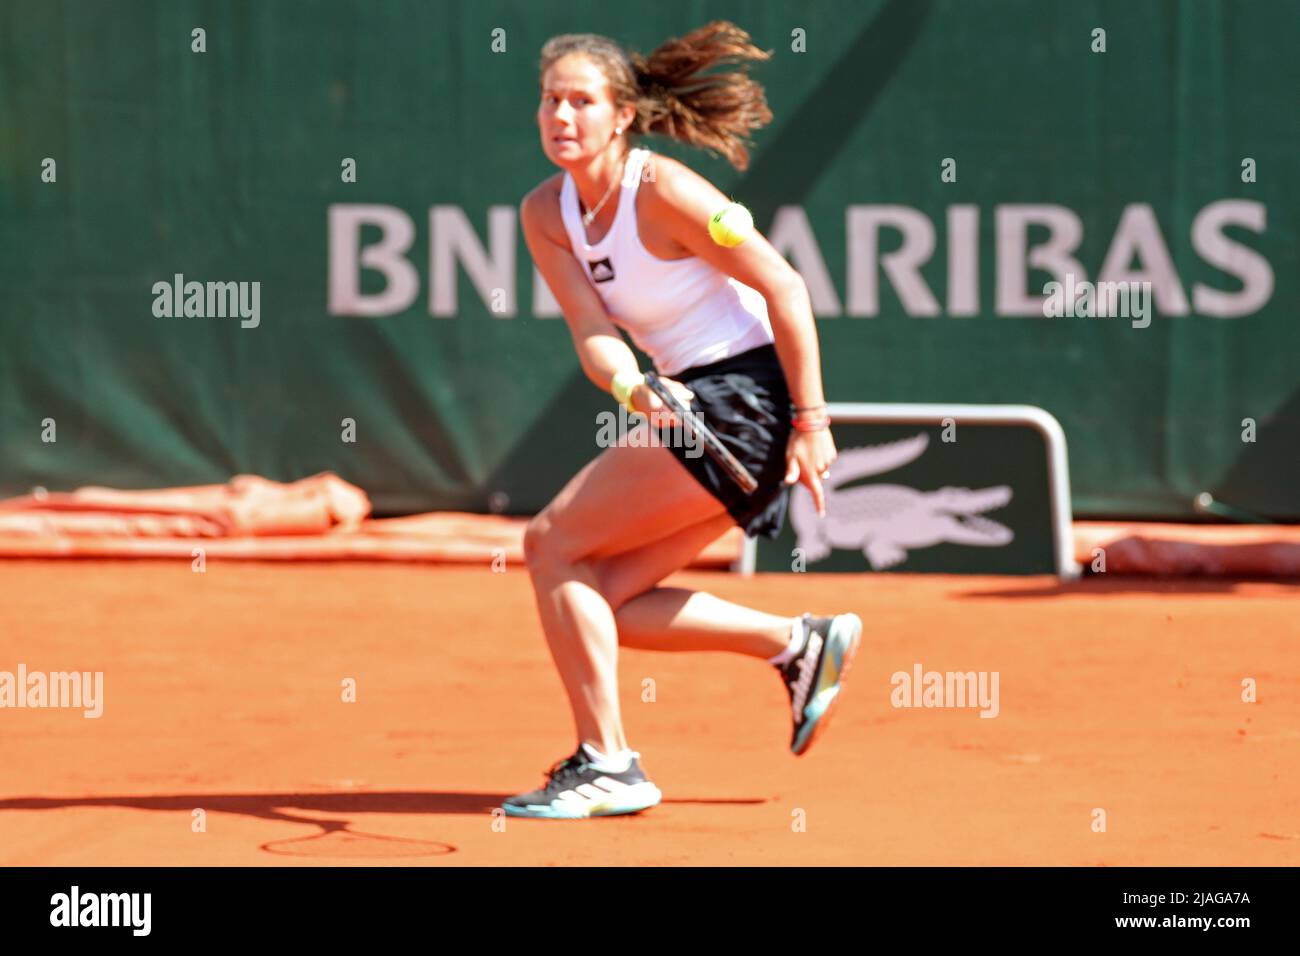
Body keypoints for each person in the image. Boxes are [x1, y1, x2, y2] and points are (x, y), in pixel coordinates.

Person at [506, 21, 861, 820]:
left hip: (751, 402)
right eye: (549, 101)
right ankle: (796, 643)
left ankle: (608, 764)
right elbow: (593, 334)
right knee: (600, 595)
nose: (561, 117)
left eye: (581, 101)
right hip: (692, 403)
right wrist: (634, 387)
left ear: (622, 114)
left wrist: (812, 421)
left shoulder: (662, 191)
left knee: (550, 543)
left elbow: (786, 287)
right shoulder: (545, 212)